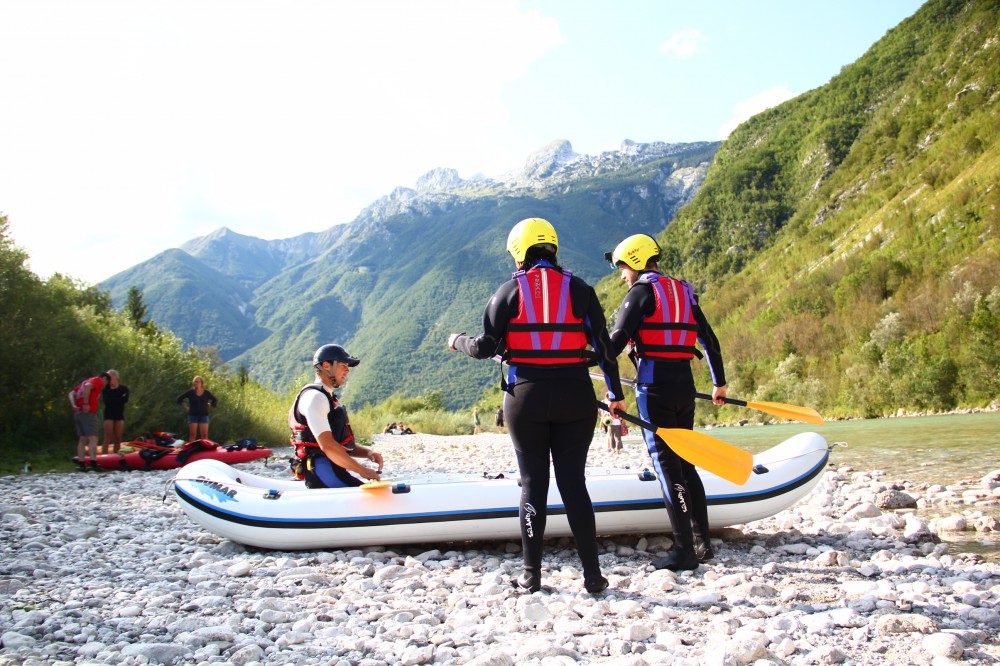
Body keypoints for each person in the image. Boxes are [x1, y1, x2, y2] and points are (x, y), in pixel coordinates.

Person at [448, 217, 626, 594]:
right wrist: (614, 395)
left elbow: (485, 348)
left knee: (533, 484)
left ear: (518, 251)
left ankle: (532, 575)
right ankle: (593, 575)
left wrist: (457, 340)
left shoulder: (507, 292)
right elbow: (607, 352)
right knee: (573, 484)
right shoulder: (582, 290)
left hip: (525, 399)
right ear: (553, 249)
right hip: (576, 396)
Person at [605, 233, 728, 571]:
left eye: (623, 268)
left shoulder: (641, 293)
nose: (622, 275)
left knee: (665, 465)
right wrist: (719, 383)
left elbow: (614, 345)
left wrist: (578, 359)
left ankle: (683, 550)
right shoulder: (684, 293)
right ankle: (702, 542)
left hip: (653, 388)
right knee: (686, 462)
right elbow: (710, 341)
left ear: (635, 261)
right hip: (684, 386)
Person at [288, 344, 383, 488]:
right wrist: (362, 470)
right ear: (326, 365)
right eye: (343, 365)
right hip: (322, 470)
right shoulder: (316, 398)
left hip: (329, 468)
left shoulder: (325, 396)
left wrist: (367, 452)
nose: (347, 371)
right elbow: (328, 446)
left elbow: (337, 444)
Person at [69, 372, 111, 470]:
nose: (104, 386)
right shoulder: (97, 380)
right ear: (105, 378)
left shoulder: (83, 382)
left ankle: (82, 464)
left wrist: (73, 405)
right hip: (88, 413)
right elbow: (88, 387)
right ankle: (93, 463)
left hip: (78, 413)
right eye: (106, 384)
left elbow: (71, 393)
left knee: (82, 439)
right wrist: (86, 403)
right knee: (93, 438)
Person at [176, 376, 218, 442]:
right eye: (195, 381)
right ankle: (191, 450)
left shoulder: (206, 393)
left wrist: (209, 405)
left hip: (203, 415)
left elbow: (214, 400)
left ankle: (205, 450)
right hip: (193, 415)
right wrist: (186, 407)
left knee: (204, 435)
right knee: (192, 435)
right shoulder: (190, 392)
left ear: (201, 383)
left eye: (198, 381)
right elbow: (179, 399)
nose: (196, 383)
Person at [101, 370, 129, 454]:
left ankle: (116, 457)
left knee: (118, 437)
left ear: (115, 377)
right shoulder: (105, 389)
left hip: (119, 414)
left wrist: (115, 400)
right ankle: (104, 458)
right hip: (109, 414)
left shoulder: (124, 389)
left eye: (109, 377)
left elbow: (125, 400)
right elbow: (107, 401)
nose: (108, 379)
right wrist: (119, 399)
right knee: (107, 437)